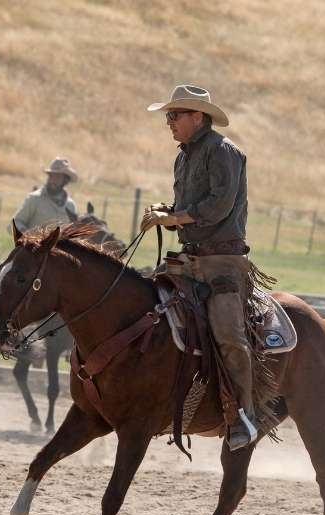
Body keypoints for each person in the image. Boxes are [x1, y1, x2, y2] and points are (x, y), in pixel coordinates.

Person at [139, 84, 259, 451]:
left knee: (228, 335)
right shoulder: (184, 157)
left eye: (174, 115)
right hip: (188, 260)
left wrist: (171, 218)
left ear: (197, 117)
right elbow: (185, 206)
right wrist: (165, 211)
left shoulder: (225, 153)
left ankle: (244, 415)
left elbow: (217, 207)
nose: (169, 123)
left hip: (222, 263)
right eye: (168, 117)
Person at [10, 158, 79, 233]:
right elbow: (15, 223)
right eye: (51, 176)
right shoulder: (35, 198)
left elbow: (72, 233)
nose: (52, 180)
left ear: (66, 180)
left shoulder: (71, 205)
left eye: (57, 177)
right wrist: (27, 235)